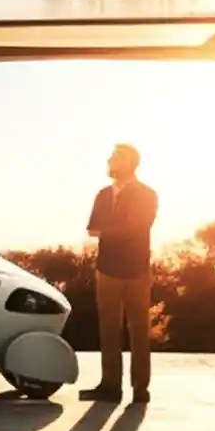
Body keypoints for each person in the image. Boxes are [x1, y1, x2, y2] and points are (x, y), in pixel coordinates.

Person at [78, 143, 158, 404]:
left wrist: (109, 230)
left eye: (117, 157)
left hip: (136, 270)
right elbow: (92, 228)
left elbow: (136, 227)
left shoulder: (146, 194)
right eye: (111, 156)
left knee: (138, 330)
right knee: (109, 330)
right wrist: (116, 229)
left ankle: (140, 388)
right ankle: (110, 386)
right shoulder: (103, 195)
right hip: (107, 269)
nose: (110, 160)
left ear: (131, 163)